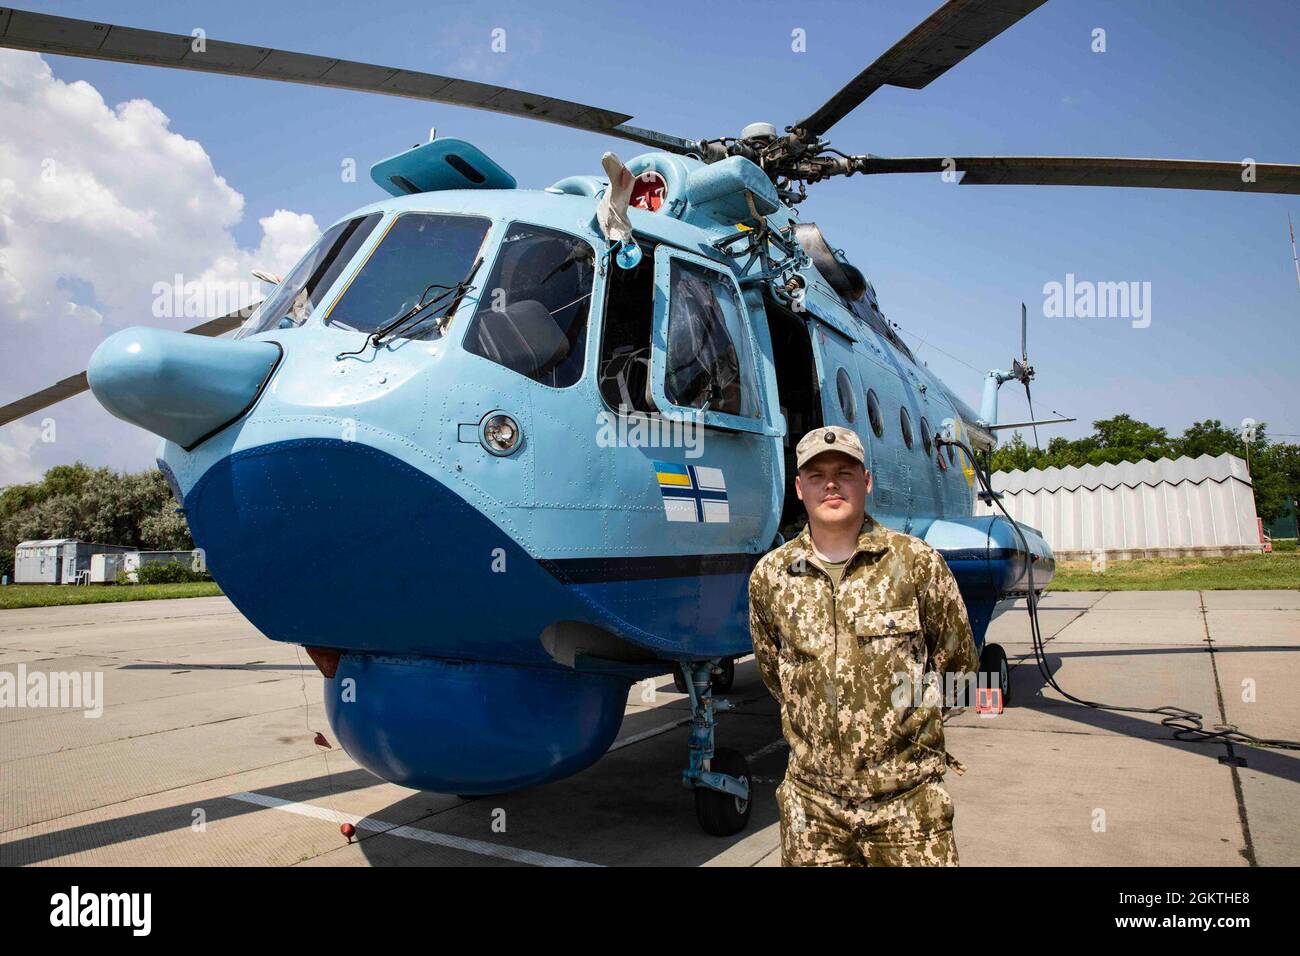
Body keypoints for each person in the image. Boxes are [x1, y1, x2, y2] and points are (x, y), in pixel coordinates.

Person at [748, 425, 978, 866]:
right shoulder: (772, 576)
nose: (831, 484)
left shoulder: (916, 564)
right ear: (798, 488)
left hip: (907, 806)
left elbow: (960, 675)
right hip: (812, 810)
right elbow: (775, 674)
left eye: (844, 472)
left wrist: (899, 742)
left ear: (867, 481)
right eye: (816, 475)